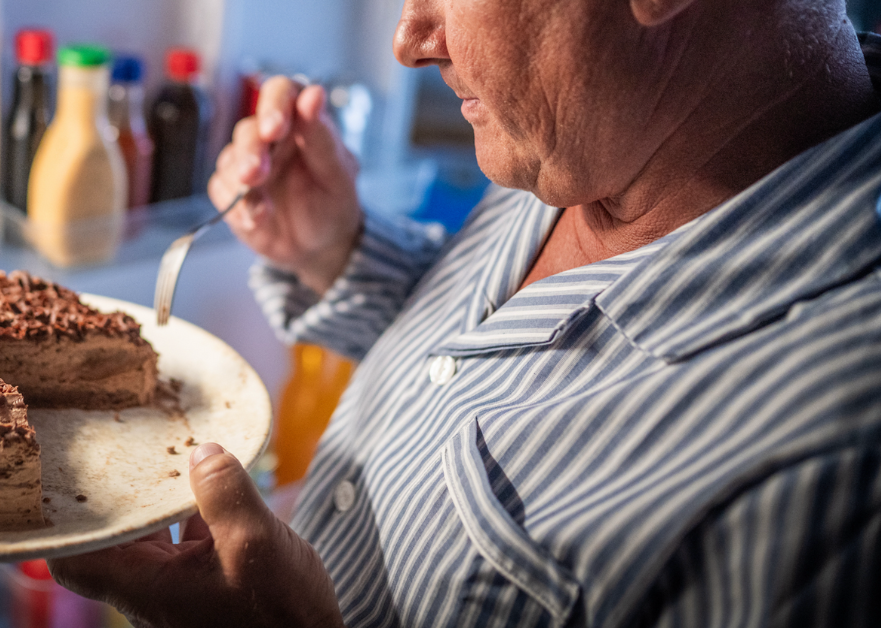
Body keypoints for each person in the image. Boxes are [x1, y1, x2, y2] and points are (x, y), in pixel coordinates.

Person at [49, 0, 881, 625]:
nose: (410, 39)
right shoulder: (600, 128)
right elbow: (493, 367)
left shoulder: (834, 473)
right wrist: (336, 249)